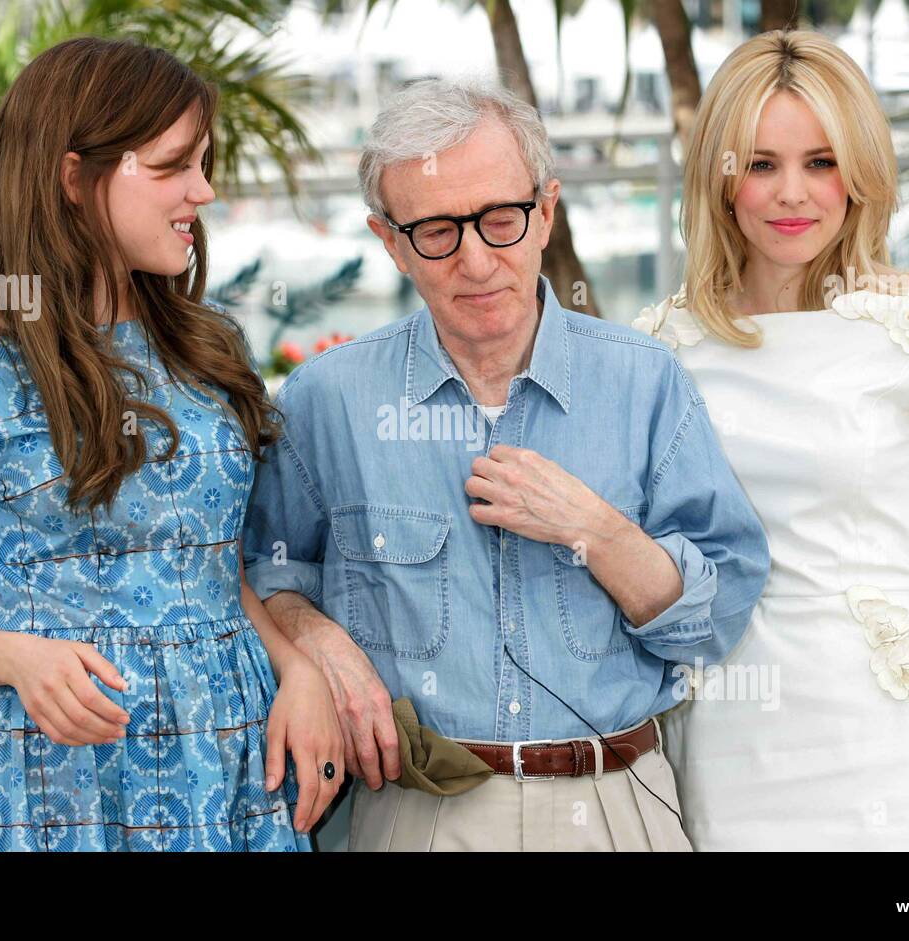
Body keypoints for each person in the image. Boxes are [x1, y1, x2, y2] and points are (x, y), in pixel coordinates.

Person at [243, 78, 769, 852]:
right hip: (416, 814)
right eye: (435, 231)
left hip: (615, 806)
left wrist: (594, 529)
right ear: (388, 240)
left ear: (546, 211)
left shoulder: (644, 381)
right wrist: (313, 636)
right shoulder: (330, 399)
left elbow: (712, 623)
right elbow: (263, 570)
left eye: (500, 219)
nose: (476, 260)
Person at [0, 37, 342, 851]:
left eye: (202, 162)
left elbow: (210, 568)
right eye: (172, 166)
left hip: (227, 770)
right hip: (57, 781)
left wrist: (297, 669)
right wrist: (18, 657)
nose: (204, 190)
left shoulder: (208, 344)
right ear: (72, 177)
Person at [635, 29, 909, 851]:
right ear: (719, 178)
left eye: (821, 161)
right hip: (725, 741)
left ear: (860, 172)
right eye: (760, 164)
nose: (793, 194)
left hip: (899, 745)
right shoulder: (663, 349)